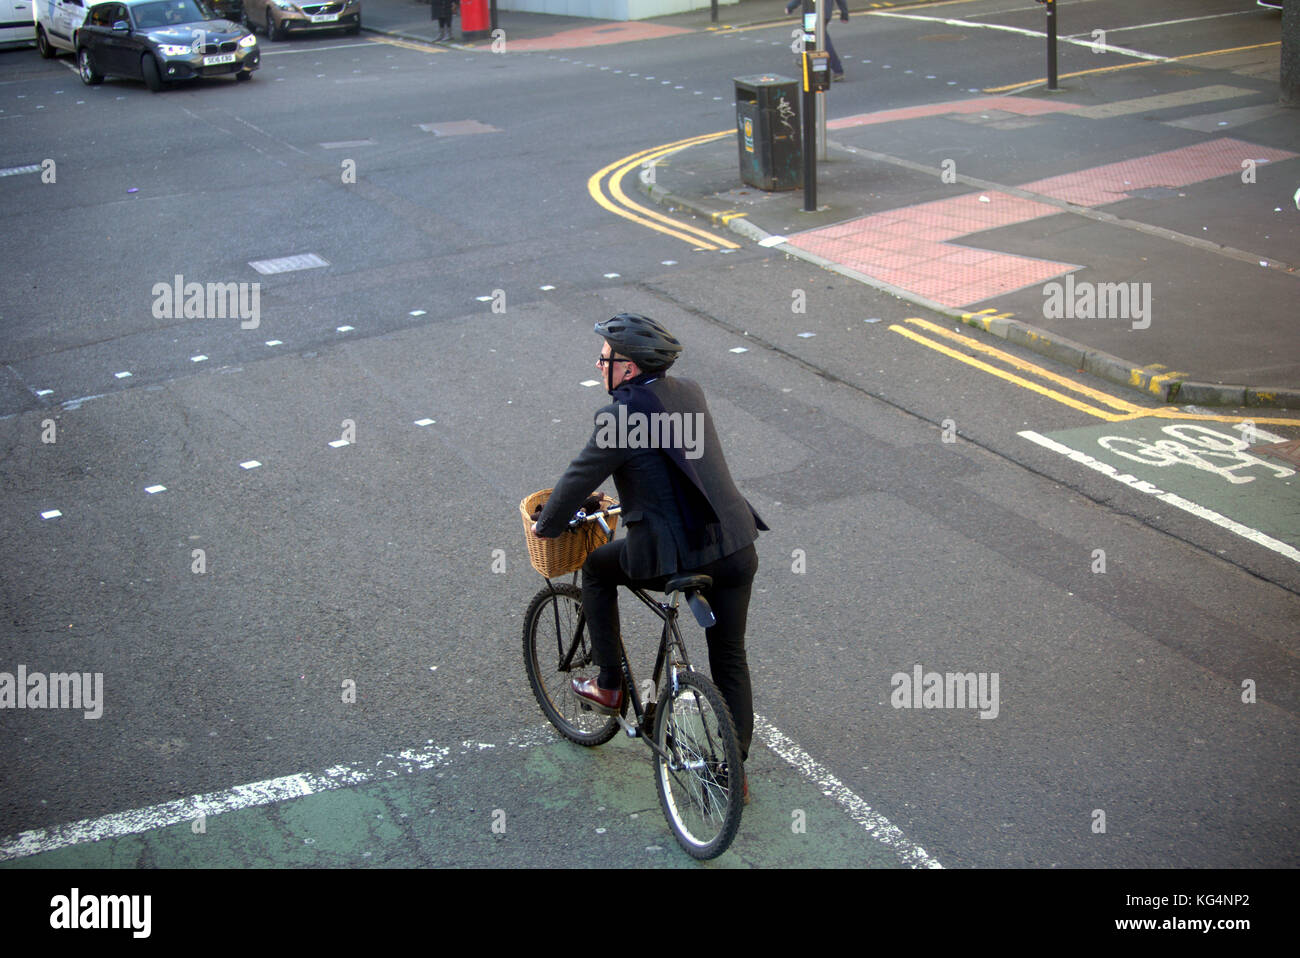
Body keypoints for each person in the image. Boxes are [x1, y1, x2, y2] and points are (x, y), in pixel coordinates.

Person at [532, 314, 767, 799]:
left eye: (605, 357)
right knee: (729, 658)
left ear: (629, 368)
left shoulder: (621, 418)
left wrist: (547, 524)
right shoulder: (691, 393)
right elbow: (678, 461)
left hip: (676, 553)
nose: (599, 364)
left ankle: (609, 684)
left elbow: (578, 480)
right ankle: (735, 775)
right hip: (737, 544)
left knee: (597, 569)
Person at [786, 0, 849, 81]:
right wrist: (844, 13)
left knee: (821, 40)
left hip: (812, 12)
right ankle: (809, 63)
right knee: (811, 37)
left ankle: (838, 70)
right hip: (825, 13)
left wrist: (790, 6)